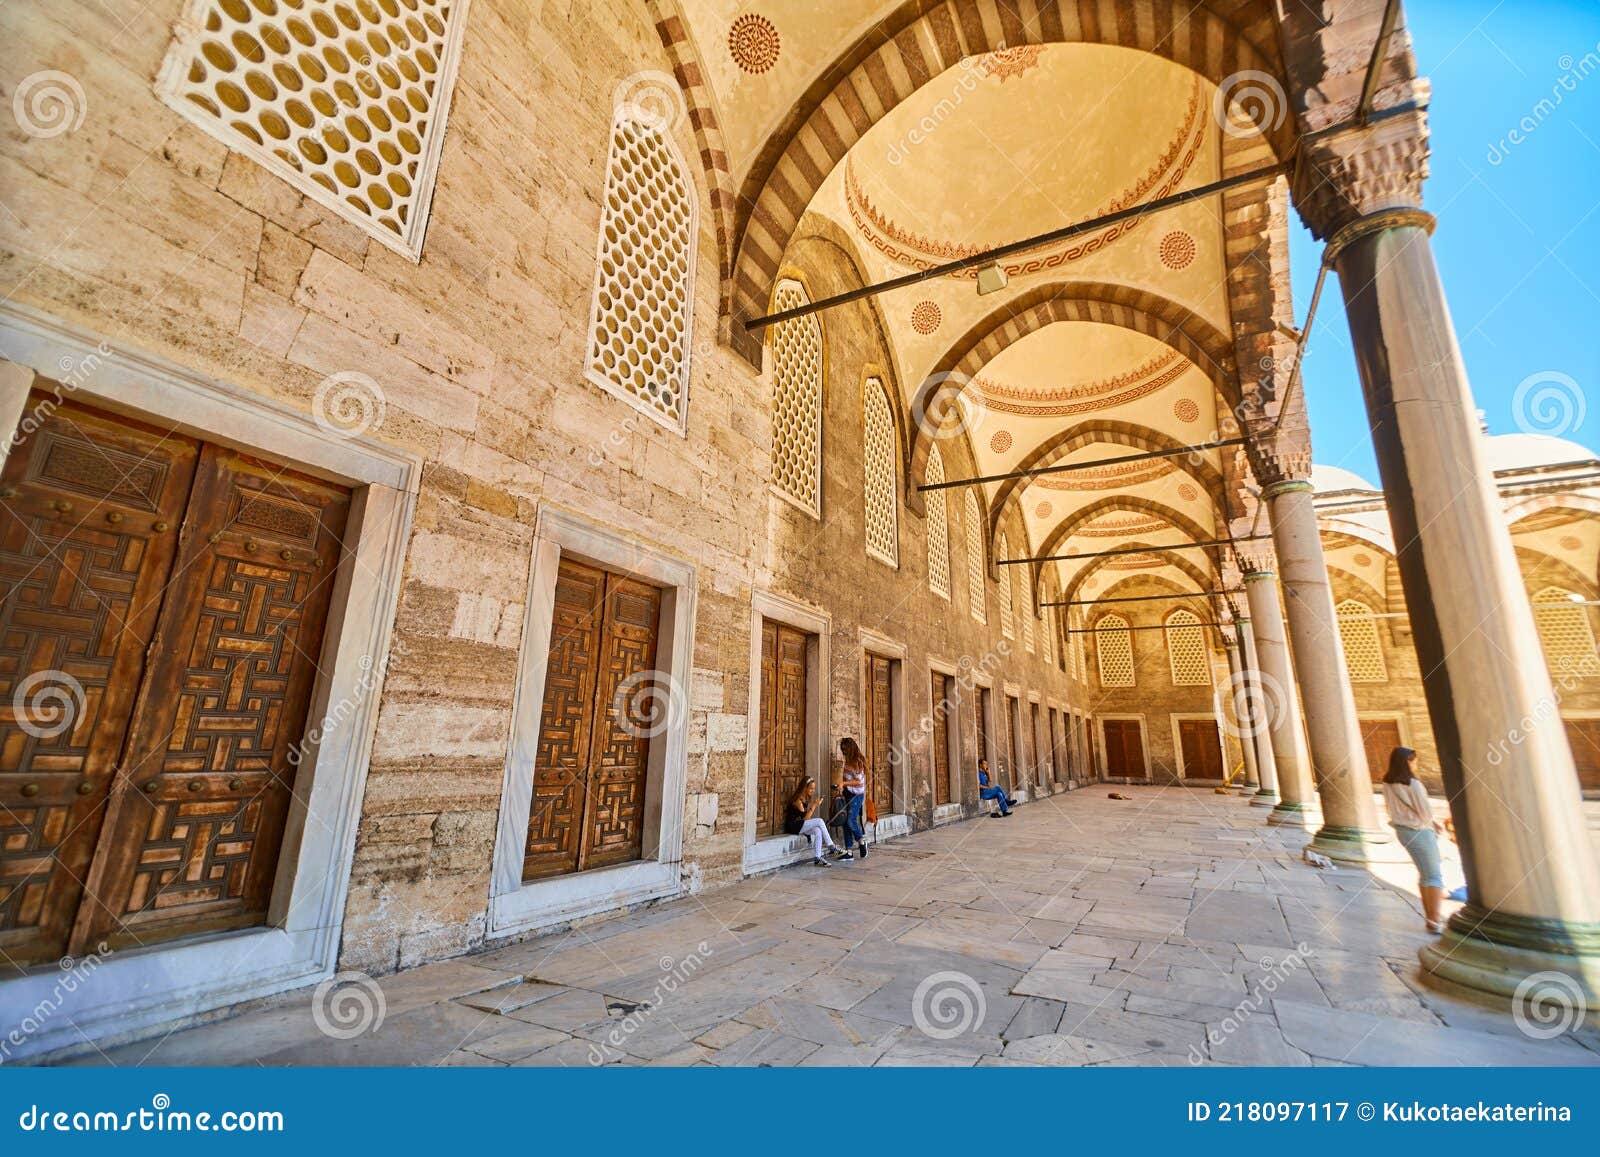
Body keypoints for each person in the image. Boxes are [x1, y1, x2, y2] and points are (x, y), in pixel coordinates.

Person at [1382, 746, 1446, 933]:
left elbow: (1391, 807)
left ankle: (1430, 916)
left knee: (1424, 873)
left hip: (1402, 831)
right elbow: (1425, 813)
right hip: (1419, 831)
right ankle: (1434, 919)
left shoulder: (1388, 782)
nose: (1416, 763)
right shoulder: (1413, 784)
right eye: (1413, 759)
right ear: (1407, 762)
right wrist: (1430, 823)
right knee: (1433, 875)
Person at [784, 777, 852, 866]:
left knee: (817, 830)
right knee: (819, 821)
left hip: (799, 825)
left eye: (814, 788)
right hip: (793, 826)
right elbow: (805, 819)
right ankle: (832, 847)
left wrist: (814, 805)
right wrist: (815, 806)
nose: (813, 791)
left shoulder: (804, 799)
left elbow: (804, 820)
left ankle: (817, 858)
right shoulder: (798, 801)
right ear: (805, 788)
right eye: (811, 788)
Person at [838, 737, 869, 859]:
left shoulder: (857, 762)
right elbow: (847, 778)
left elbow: (859, 782)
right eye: (842, 749)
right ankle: (849, 851)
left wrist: (844, 784)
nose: (843, 751)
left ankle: (861, 841)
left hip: (856, 796)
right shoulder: (848, 760)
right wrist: (842, 786)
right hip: (847, 793)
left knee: (851, 820)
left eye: (845, 749)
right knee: (846, 822)